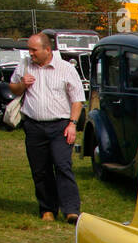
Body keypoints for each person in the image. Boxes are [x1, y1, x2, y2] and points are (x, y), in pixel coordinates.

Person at [9, 32, 84, 222]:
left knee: (62, 165)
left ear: (47, 50)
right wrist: (21, 84)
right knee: (40, 169)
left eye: (34, 50)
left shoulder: (65, 68)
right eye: (29, 49)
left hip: (60, 126)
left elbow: (77, 100)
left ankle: (71, 210)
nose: (30, 53)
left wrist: (72, 125)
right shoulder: (25, 65)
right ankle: (47, 209)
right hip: (33, 126)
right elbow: (13, 88)